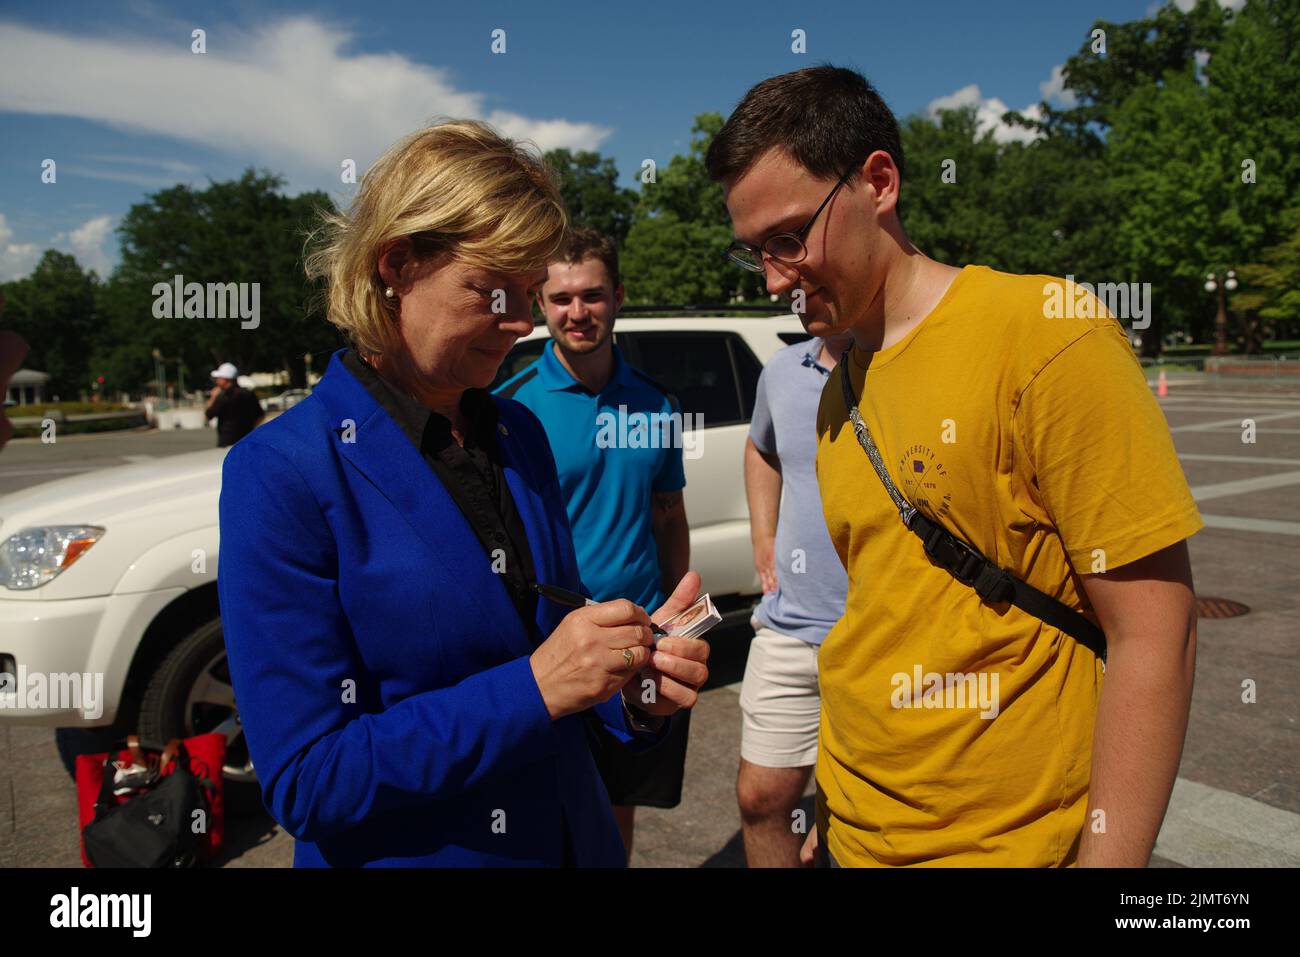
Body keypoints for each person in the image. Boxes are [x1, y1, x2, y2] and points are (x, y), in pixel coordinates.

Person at [707, 66, 1201, 867]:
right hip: (857, 834)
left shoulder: (1046, 333)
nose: (773, 278)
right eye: (756, 251)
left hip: (1003, 845)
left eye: (792, 236)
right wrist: (834, 808)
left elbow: (1156, 630)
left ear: (879, 182)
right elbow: (885, 618)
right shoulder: (838, 395)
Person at [217, 120, 709, 867]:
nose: (521, 321)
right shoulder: (284, 471)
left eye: (529, 289)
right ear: (397, 264)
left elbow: (559, 658)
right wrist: (535, 688)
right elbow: (308, 779)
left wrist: (634, 694)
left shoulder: (518, 433)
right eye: (493, 290)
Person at [495, 227, 692, 862]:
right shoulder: (509, 410)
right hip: (551, 650)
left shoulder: (656, 405)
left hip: (637, 643)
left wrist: (678, 620)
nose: (577, 312)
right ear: (539, 305)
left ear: (618, 297)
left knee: (616, 814)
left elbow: (668, 518)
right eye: (560, 298)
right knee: (544, 817)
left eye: (593, 295)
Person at [738, 331, 851, 867]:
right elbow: (761, 446)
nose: (781, 281)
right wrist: (764, 532)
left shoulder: (907, 364)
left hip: (880, 640)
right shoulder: (782, 369)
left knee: (859, 822)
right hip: (787, 627)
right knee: (760, 798)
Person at [204, 362, 264, 447]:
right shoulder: (248, 394)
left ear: (225, 379)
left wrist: (213, 397)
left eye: (219, 378)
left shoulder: (223, 397)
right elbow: (260, 415)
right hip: (247, 440)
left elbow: (208, 416)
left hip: (227, 442)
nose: (217, 381)